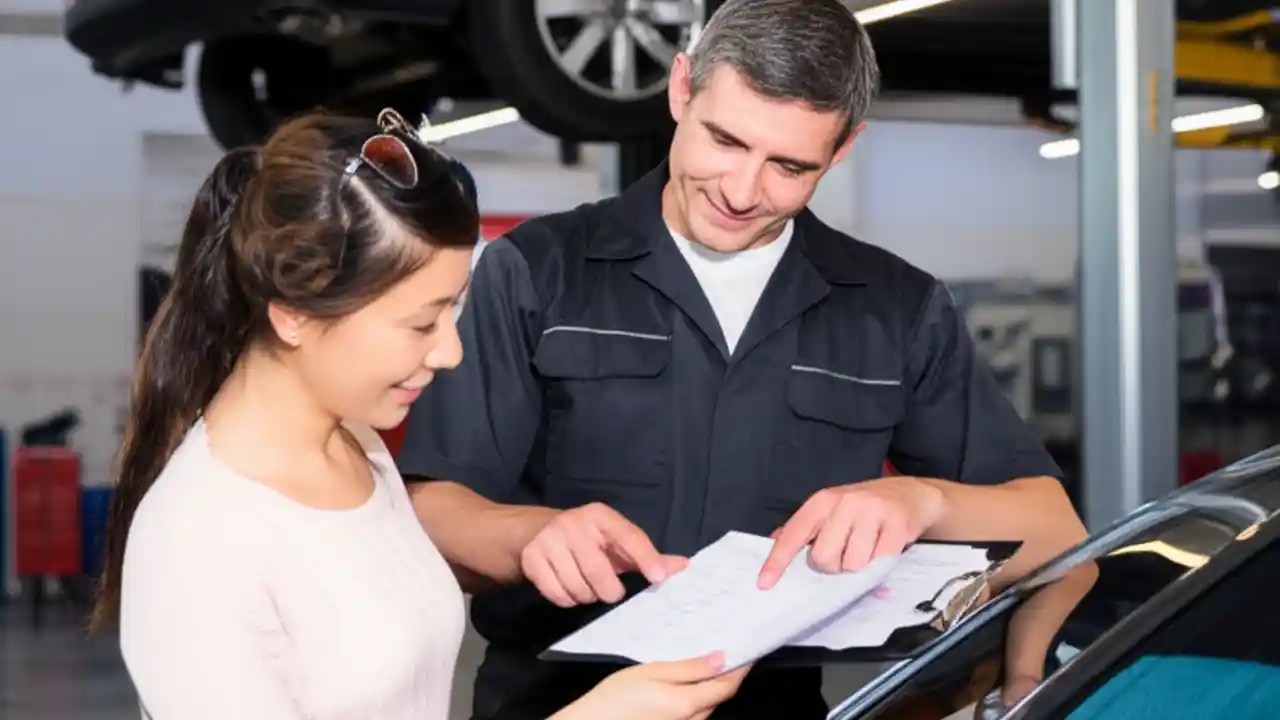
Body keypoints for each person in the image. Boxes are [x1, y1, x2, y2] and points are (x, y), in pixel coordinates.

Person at [395, 0, 1089, 717]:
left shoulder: (893, 307)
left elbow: (1055, 528)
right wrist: (529, 535)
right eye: (724, 141)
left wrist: (921, 499)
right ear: (680, 89)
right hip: (556, 704)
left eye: (790, 166)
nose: (741, 191)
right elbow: (433, 508)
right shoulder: (538, 270)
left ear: (843, 147)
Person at [87, 109, 749, 720]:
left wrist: (536, 535)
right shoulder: (199, 538)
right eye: (420, 322)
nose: (450, 350)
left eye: (452, 311)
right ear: (293, 312)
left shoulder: (356, 442)